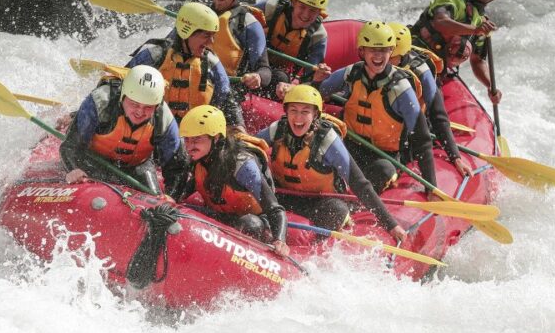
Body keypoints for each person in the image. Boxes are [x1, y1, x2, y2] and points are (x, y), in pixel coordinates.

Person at [256, 85, 407, 241]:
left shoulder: (327, 140)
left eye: (305, 112)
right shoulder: (277, 130)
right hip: (283, 196)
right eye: (293, 110)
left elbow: (359, 183)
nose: (298, 118)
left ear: (315, 114)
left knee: (336, 210)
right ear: (286, 112)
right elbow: (251, 150)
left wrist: (391, 225)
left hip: (320, 202)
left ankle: (311, 248)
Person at [315, 21, 437, 194]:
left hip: (383, 155)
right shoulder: (352, 73)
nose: (378, 56)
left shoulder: (401, 89)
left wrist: (430, 187)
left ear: (391, 51)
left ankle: (357, 199)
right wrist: (316, 80)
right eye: (372, 50)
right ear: (362, 51)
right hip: (348, 144)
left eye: (384, 50)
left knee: (383, 171)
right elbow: (318, 93)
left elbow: (422, 139)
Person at [177, 105, 290, 257]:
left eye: (197, 139)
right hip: (220, 216)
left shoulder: (243, 165)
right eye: (187, 139)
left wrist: (280, 241)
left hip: (254, 221)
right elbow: (189, 187)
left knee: (251, 224)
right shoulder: (197, 156)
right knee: (180, 210)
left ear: (216, 138)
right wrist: (172, 199)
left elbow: (275, 209)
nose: (190, 145)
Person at [60, 65, 187, 196]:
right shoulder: (101, 101)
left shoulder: (164, 119)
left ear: (157, 105)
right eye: (134, 104)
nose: (139, 112)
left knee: (156, 200)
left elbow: (177, 167)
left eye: (148, 107)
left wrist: (171, 197)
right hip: (92, 161)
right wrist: (73, 168)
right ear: (123, 97)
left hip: (136, 168)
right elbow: (70, 147)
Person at [127, 1, 244, 127]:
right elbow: (121, 85)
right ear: (186, 32)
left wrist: (239, 128)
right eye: (206, 35)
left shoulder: (211, 63)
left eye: (213, 36)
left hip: (194, 133)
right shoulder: (155, 56)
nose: (211, 42)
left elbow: (227, 99)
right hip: (154, 129)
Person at [410, 0, 507, 105]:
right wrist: (475, 29)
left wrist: (490, 86)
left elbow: (477, 60)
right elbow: (440, 22)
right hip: (414, 54)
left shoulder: (482, 21)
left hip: (438, 68)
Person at [388, 22, 472, 178]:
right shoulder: (372, 62)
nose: (382, 59)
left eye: (389, 55)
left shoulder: (422, 73)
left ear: (401, 54)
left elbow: (438, 116)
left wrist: (455, 157)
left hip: (407, 135)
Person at [255, 0, 332, 99]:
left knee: (281, 78)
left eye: (312, 10)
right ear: (294, 2)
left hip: (277, 73)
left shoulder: (318, 36)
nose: (306, 15)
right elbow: (237, 18)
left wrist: (294, 87)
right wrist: (256, 32)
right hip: (253, 58)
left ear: (319, 13)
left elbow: (309, 79)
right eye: (302, 7)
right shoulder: (272, 8)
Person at [206, 0, 272, 92]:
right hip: (195, 84)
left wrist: (257, 76)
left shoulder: (249, 23)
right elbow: (167, 46)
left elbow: (265, 69)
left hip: (227, 90)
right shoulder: (199, 14)